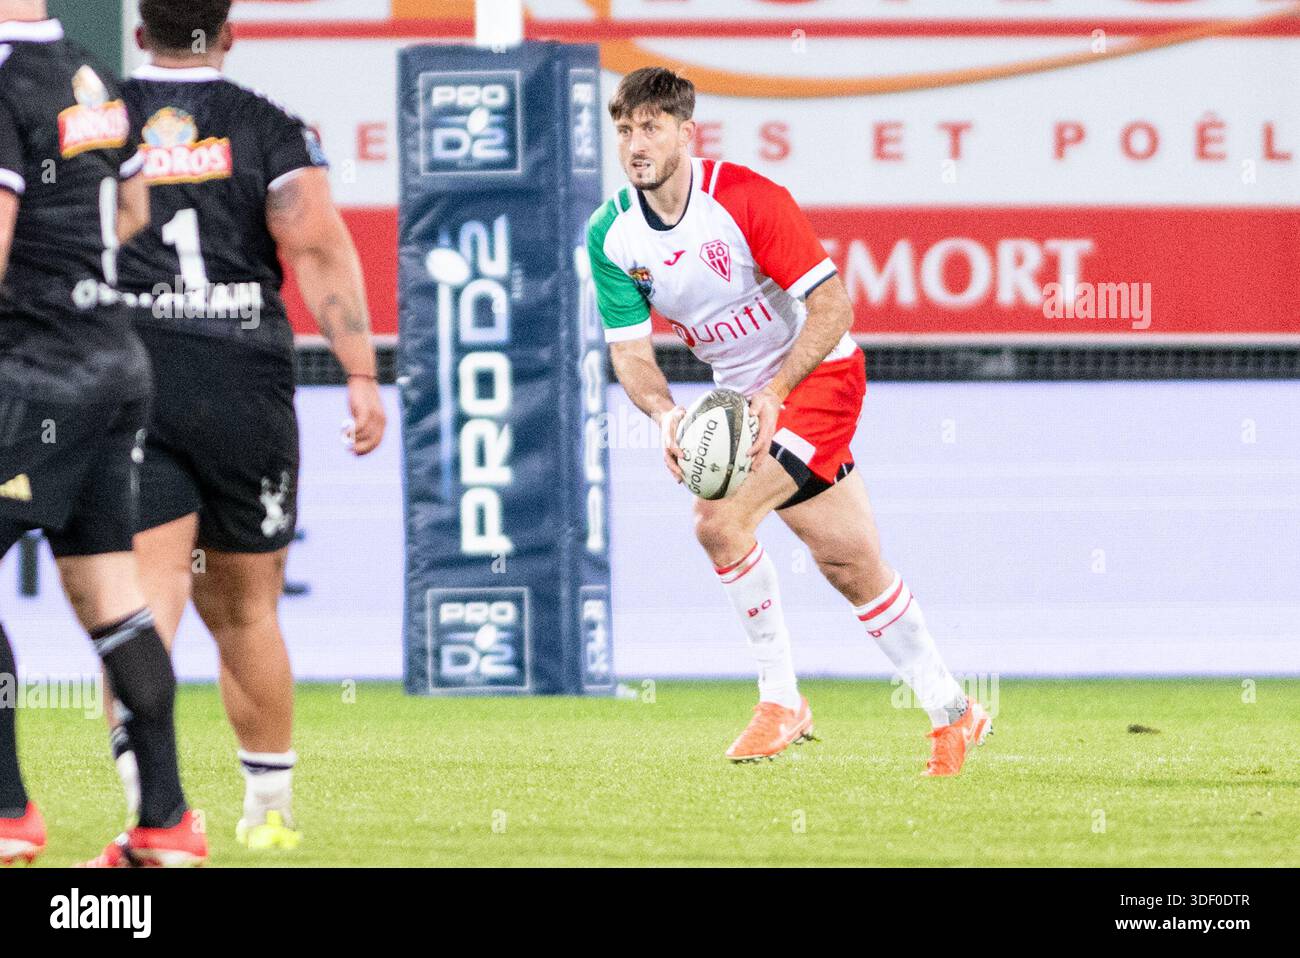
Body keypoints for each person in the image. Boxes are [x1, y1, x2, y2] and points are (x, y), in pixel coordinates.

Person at [588, 67, 992, 775]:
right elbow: (631, 355)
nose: (636, 143)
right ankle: (954, 712)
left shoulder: (746, 199)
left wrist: (776, 391)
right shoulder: (611, 236)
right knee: (851, 564)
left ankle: (781, 700)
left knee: (718, 521)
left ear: (688, 133)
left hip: (820, 377)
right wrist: (665, 415)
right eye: (625, 130)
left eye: (652, 127)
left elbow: (833, 306)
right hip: (741, 400)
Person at [103, 0, 386, 850]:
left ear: (140, 31)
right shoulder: (269, 127)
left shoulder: (98, 121)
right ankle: (269, 814)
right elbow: (319, 249)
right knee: (250, 613)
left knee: (143, 603)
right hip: (244, 386)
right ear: (229, 34)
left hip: (134, 378)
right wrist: (362, 373)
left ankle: (153, 808)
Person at [0, 0, 205, 867]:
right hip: (113, 364)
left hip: (34, 374)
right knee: (112, 601)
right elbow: (132, 210)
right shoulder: (93, 74)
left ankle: (7, 814)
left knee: (114, 599)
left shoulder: (6, 77)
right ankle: (167, 826)